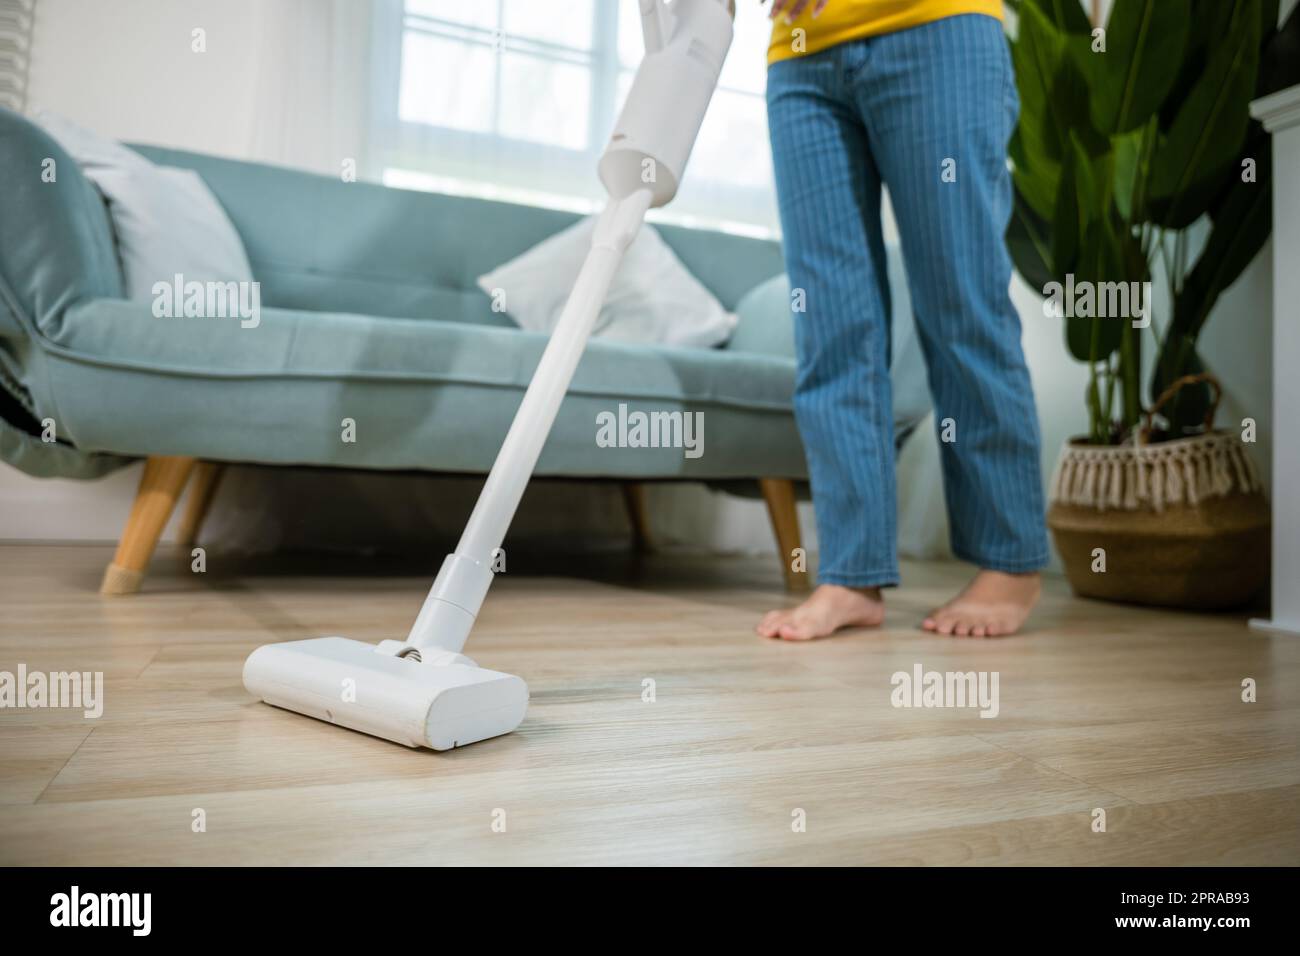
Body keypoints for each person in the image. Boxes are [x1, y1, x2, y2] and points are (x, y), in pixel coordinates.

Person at [755, 0, 1049, 640]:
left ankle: (1009, 561)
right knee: (831, 328)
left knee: (961, 304)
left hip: (936, 27)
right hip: (799, 55)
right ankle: (850, 573)